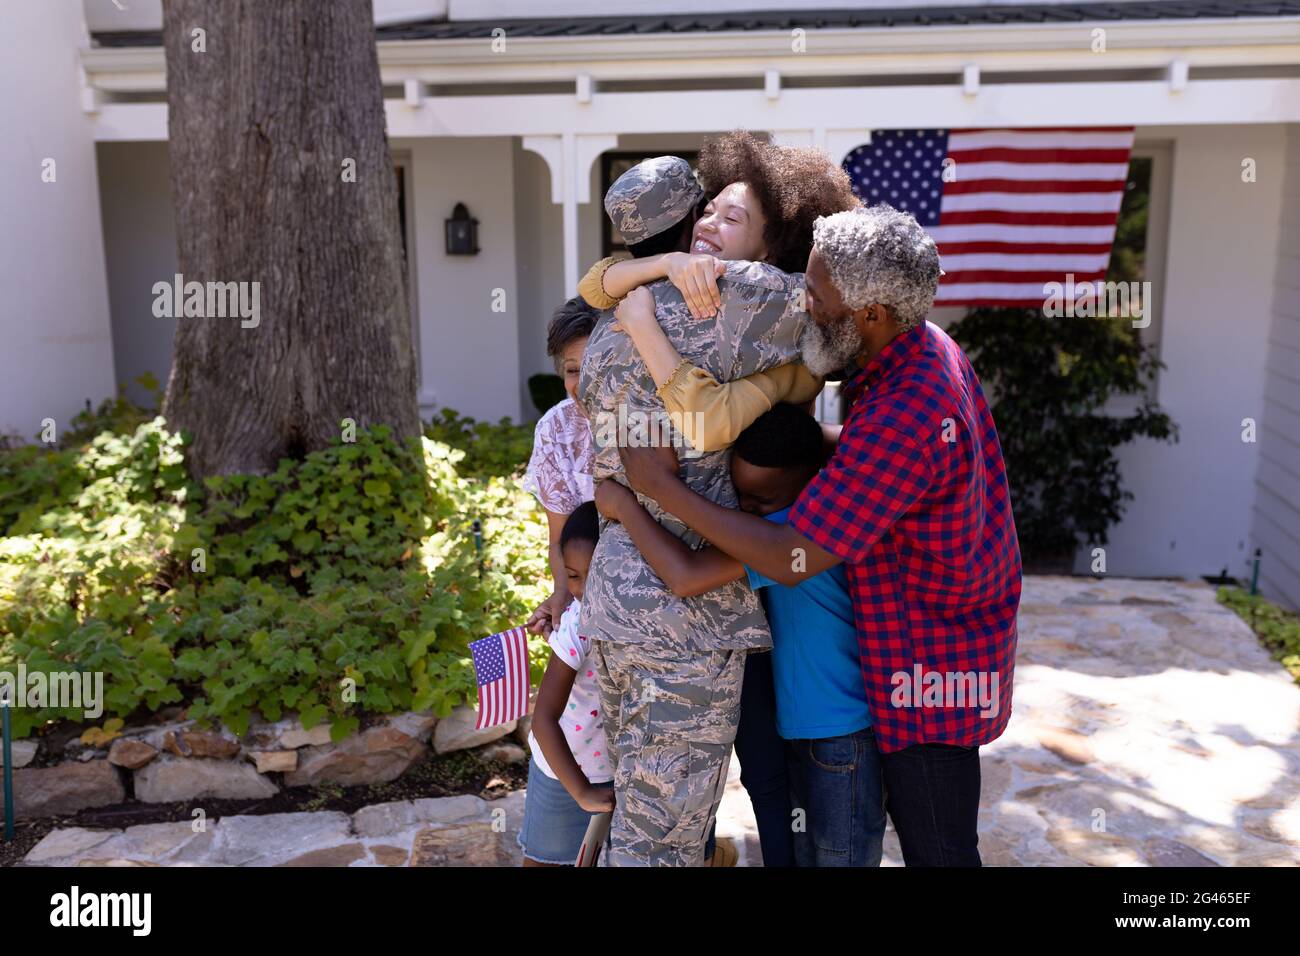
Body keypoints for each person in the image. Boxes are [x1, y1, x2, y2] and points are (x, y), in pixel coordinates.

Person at [616, 204, 1022, 867]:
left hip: (933, 662)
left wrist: (664, 490)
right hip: (933, 637)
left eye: (817, 295)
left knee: (942, 851)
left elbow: (793, 555)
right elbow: (874, 457)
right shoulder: (918, 349)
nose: (804, 305)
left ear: (871, 316)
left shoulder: (908, 406)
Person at [579, 142, 859, 867]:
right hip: (684, 615)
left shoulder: (608, 322)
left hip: (613, 597)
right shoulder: (750, 295)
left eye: (731, 213)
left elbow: (595, 284)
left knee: (638, 816)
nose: (713, 223)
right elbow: (843, 329)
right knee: (666, 842)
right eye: (709, 209)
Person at [595, 404, 883, 866]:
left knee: (839, 857)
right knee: (811, 849)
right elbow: (839, 439)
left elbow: (685, 576)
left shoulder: (790, 538)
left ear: (809, 482)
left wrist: (637, 499)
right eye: (741, 499)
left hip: (841, 734)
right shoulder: (787, 518)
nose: (746, 513)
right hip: (811, 728)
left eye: (760, 502)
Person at [517, 502, 616, 866]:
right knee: (544, 859)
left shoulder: (638, 618)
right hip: (563, 768)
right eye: (574, 576)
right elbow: (542, 719)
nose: (585, 589)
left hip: (618, 768)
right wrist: (582, 791)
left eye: (598, 573)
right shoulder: (577, 624)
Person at [522, 297, 599, 636]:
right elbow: (560, 540)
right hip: (586, 594)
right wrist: (563, 596)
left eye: (597, 365)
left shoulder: (652, 420)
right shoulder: (557, 430)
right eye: (572, 370)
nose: (583, 383)